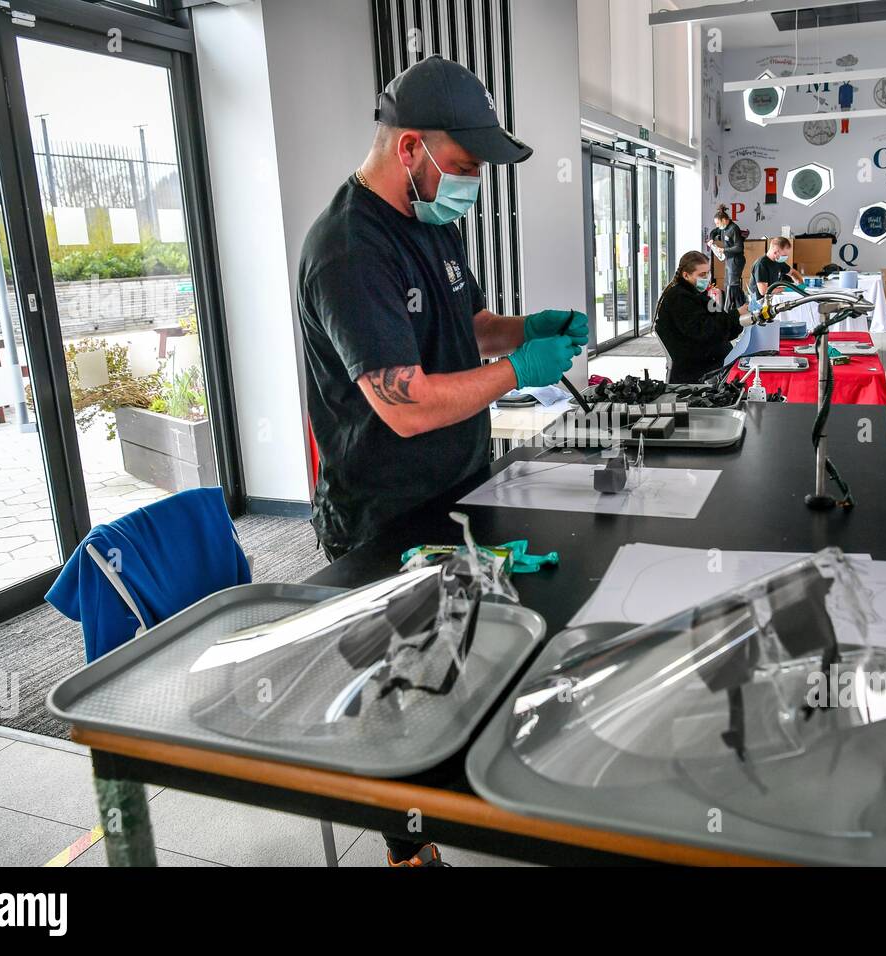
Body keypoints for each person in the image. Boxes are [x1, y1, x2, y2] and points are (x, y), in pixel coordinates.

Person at [297, 54, 585, 867]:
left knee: (468, 656)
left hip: (462, 482)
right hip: (386, 507)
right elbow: (405, 400)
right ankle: (407, 851)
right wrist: (517, 374)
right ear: (411, 147)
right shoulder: (348, 250)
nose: (471, 184)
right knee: (400, 686)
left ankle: (479, 792)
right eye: (462, 168)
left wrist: (524, 331)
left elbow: (471, 324)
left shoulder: (434, 221)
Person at [655, 250, 753, 384]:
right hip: (696, 365)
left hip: (710, 355)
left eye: (708, 273)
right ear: (686, 275)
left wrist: (738, 320)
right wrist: (736, 315)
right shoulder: (679, 298)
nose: (707, 278)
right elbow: (705, 330)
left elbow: (719, 320)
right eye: (702, 274)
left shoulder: (697, 295)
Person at [707, 205, 747, 312]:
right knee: (727, 284)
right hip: (728, 260)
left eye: (718, 223)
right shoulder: (723, 228)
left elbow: (739, 247)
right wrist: (711, 239)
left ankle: (729, 309)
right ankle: (738, 307)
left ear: (724, 220)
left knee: (732, 285)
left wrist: (724, 250)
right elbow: (714, 231)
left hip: (736, 260)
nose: (717, 226)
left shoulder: (733, 229)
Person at [751, 236, 803, 307]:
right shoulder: (761, 264)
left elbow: (793, 272)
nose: (785, 257)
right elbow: (763, 291)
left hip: (772, 297)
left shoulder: (778, 262)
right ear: (775, 252)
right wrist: (786, 289)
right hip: (760, 302)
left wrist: (800, 283)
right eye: (784, 255)